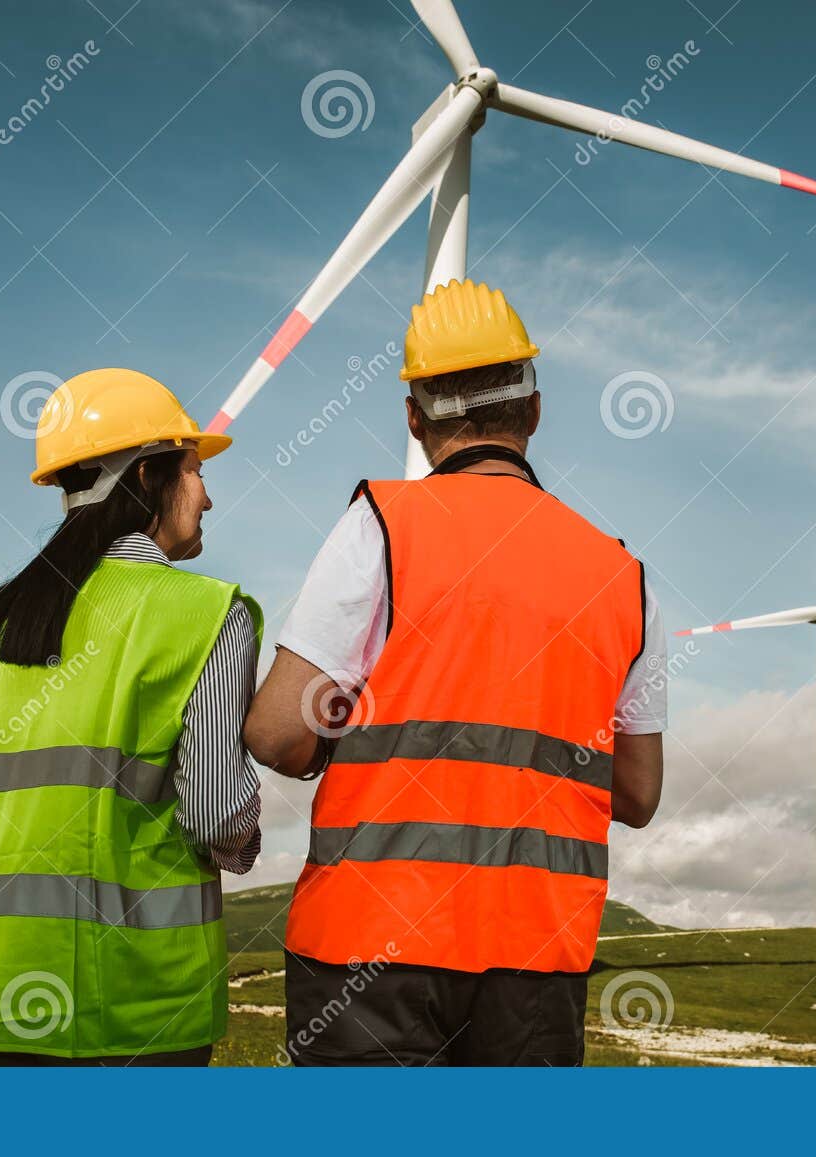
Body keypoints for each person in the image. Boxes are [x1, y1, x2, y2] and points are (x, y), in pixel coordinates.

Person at [244, 279, 666, 1066]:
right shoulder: (622, 575)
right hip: (536, 961)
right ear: (534, 413)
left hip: (368, 951)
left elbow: (276, 734)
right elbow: (637, 795)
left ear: (413, 416)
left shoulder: (381, 524)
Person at [0, 367, 263, 1067]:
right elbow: (216, 817)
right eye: (194, 469)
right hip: (130, 1019)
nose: (208, 495)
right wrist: (243, 844)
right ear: (149, 477)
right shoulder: (207, 613)